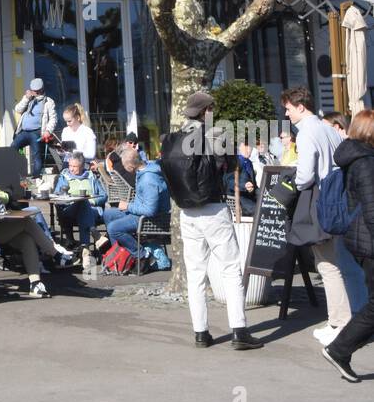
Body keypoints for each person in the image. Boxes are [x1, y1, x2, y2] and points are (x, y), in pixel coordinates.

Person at [161, 92, 262, 350]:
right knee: (230, 269)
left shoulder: (174, 138)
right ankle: (239, 330)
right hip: (214, 208)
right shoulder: (215, 134)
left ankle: (201, 333)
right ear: (206, 110)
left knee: (195, 274)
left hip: (187, 212)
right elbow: (229, 166)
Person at [282, 87, 354, 349]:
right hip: (338, 200)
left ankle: (339, 323)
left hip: (321, 202)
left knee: (327, 266)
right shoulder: (327, 128)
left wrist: (294, 181)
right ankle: (340, 321)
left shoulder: (307, 132)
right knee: (335, 263)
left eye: (288, 108)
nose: (286, 113)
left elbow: (305, 176)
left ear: (301, 106)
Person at [0, 159, 73, 298]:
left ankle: (35, 284)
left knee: (27, 239)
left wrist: (1, 210)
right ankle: (56, 255)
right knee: (26, 222)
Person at [321, 109, 374, 382]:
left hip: (362, 238)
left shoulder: (359, 159)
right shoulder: (365, 162)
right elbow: (372, 207)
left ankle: (340, 349)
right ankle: (339, 349)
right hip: (369, 240)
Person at [103, 150, 170, 263]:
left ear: (130, 166)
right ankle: (119, 255)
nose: (123, 168)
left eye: (124, 165)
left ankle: (143, 255)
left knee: (113, 228)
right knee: (108, 214)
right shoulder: (143, 169)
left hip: (149, 219)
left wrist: (128, 206)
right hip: (139, 211)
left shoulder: (148, 180)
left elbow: (150, 210)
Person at [54, 153, 107, 248]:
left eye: (74, 166)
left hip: (92, 210)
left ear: (82, 166)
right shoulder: (64, 177)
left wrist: (92, 201)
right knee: (82, 202)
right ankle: (93, 234)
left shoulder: (91, 176)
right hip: (70, 209)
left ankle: (85, 251)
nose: (71, 169)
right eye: (70, 165)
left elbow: (104, 195)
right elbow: (57, 195)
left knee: (84, 205)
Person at [12, 79, 58, 176]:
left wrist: (48, 131)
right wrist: (26, 99)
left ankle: (36, 177)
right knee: (12, 148)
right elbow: (18, 109)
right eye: (33, 90)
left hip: (36, 132)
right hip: (24, 131)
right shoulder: (28, 98)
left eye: (37, 91)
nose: (35, 93)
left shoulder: (49, 102)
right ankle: (14, 173)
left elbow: (53, 119)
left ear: (41, 90)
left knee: (36, 155)